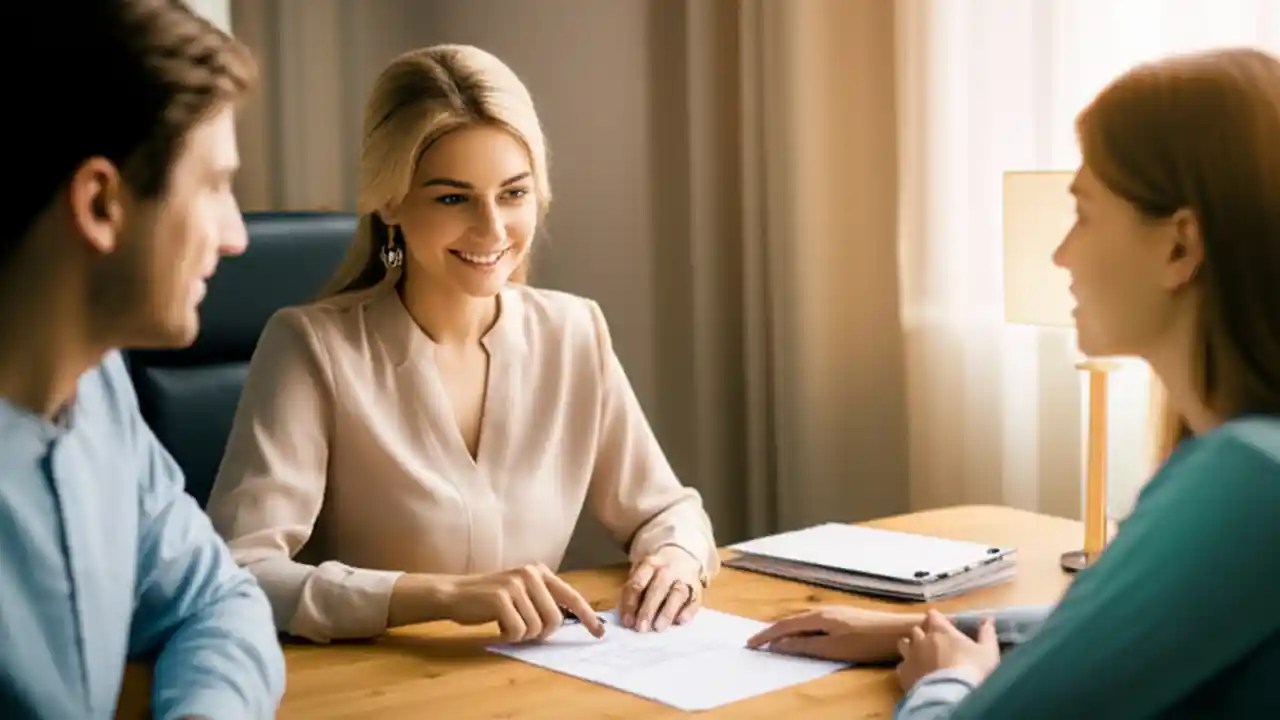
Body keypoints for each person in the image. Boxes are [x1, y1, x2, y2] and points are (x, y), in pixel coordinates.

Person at [752, 47, 1280, 718]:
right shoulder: (1260, 467)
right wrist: (922, 631)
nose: (1061, 254)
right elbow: (1126, 625)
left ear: (1179, 246)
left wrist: (947, 680)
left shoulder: (1242, 482)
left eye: (1083, 214)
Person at [205, 44, 719, 645]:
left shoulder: (574, 333)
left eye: (514, 193)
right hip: (367, 691)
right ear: (391, 200)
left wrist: (677, 559)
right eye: (453, 198)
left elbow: (666, 510)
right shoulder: (312, 348)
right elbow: (240, 572)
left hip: (529, 686)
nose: (493, 229)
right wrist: (437, 596)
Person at [0, 1, 286, 719]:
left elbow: (216, 599)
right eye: (215, 185)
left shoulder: (100, 395)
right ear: (101, 204)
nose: (235, 237)